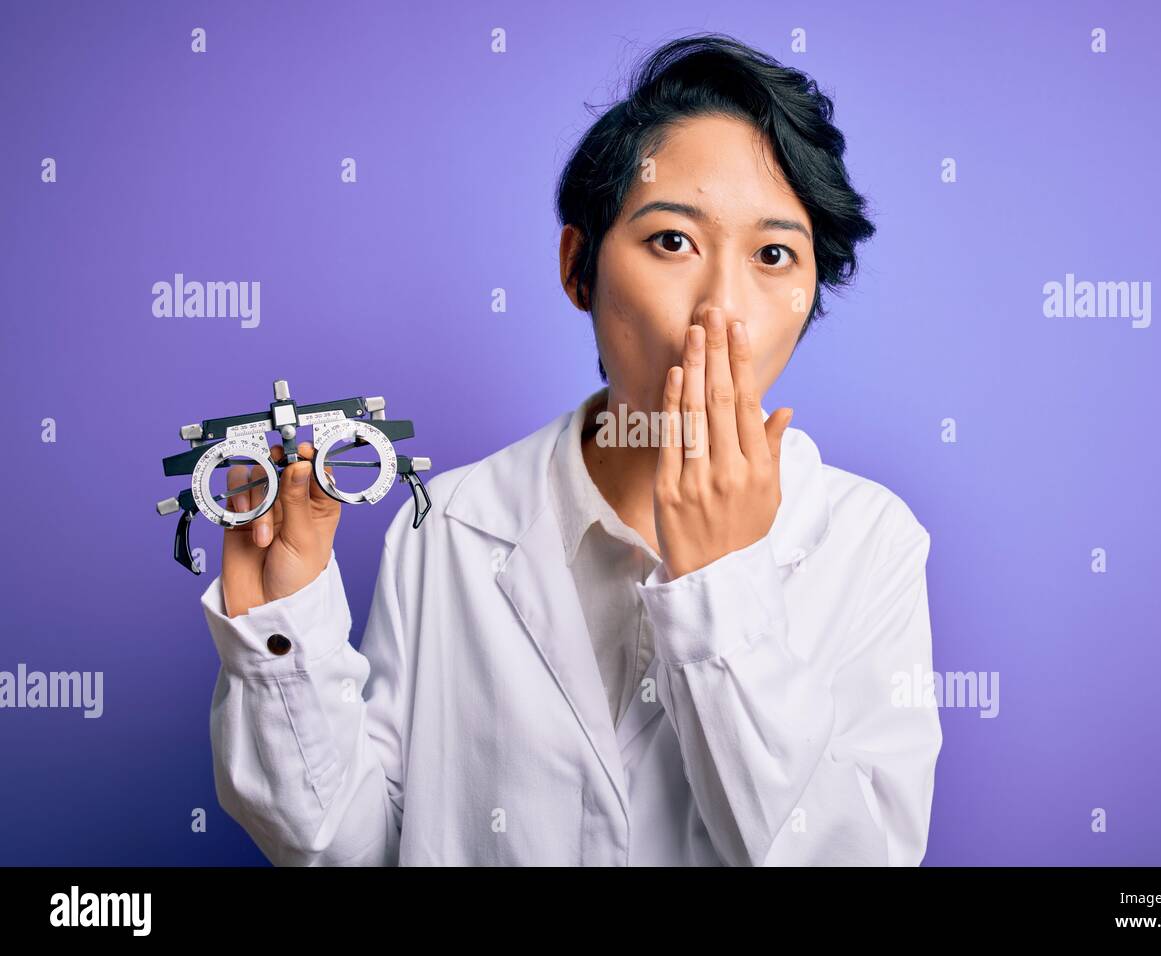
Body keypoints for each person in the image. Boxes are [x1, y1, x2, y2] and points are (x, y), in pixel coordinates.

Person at [201, 33, 942, 866]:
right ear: (579, 267)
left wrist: (720, 584)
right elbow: (355, 848)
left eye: (775, 255)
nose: (721, 309)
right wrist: (284, 622)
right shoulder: (447, 523)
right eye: (672, 241)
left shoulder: (870, 541)